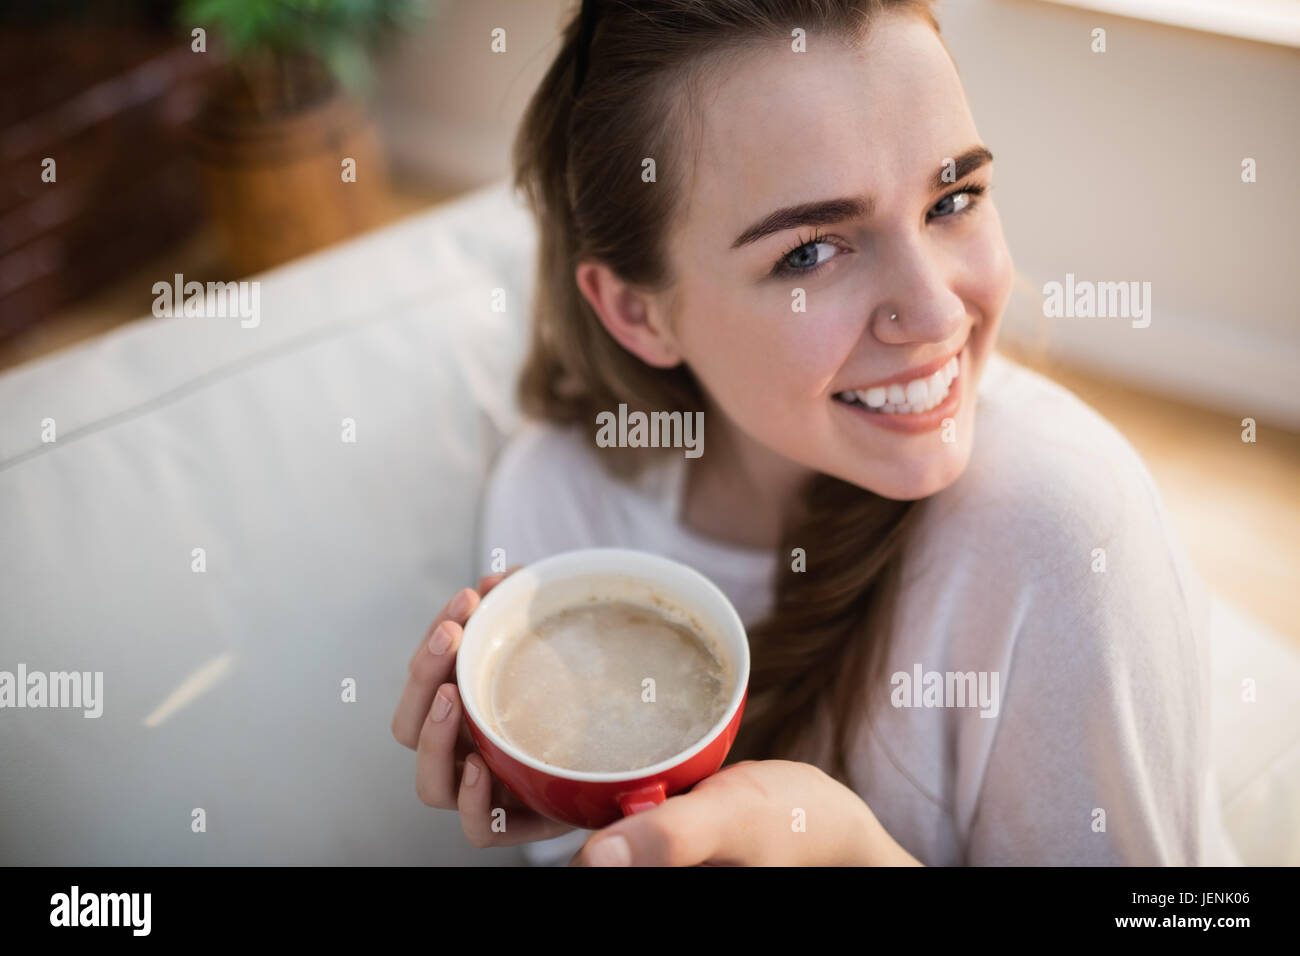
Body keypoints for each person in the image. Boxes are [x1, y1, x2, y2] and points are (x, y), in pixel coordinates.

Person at [391, 0, 1241, 866]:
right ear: (638, 313)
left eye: (954, 198)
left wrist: (854, 856)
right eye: (811, 252)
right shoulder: (559, 507)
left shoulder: (1063, 533)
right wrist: (600, 807)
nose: (936, 310)